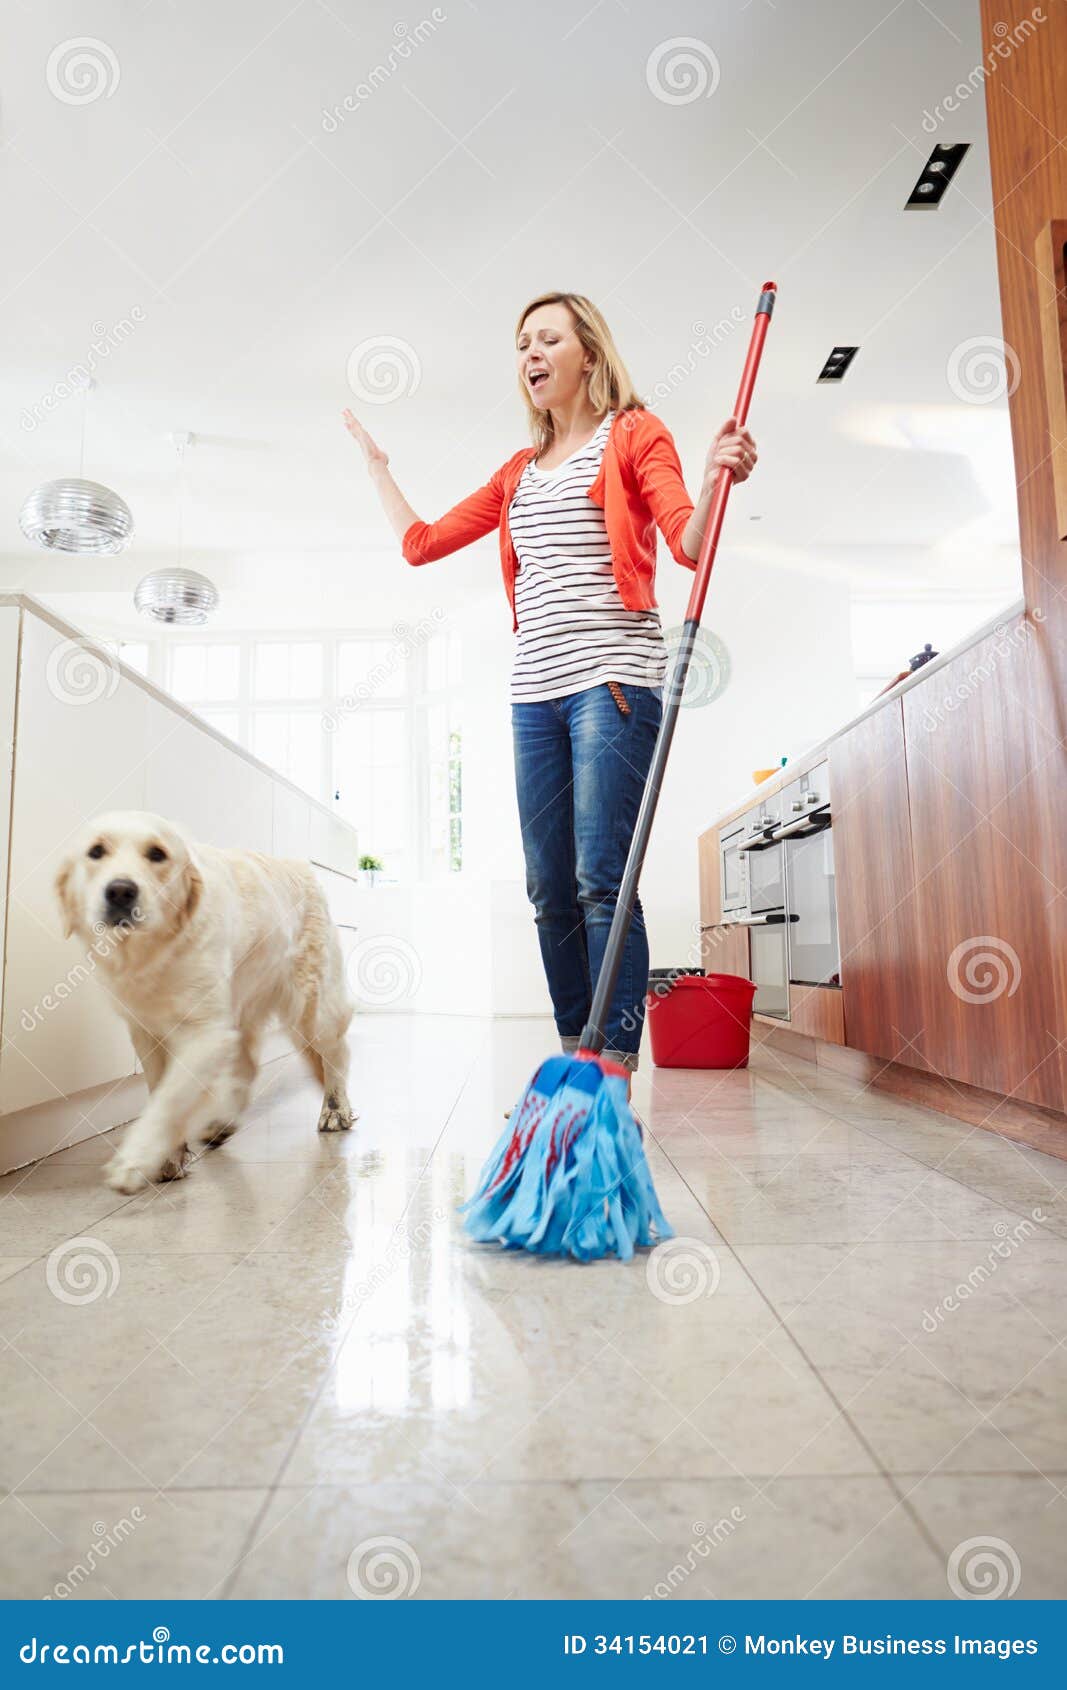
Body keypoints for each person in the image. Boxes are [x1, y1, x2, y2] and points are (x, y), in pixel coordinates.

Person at [344, 290, 757, 1086]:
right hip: (533, 694)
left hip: (612, 681)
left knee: (603, 879)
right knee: (548, 889)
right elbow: (421, 544)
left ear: (588, 358)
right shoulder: (515, 474)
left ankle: (614, 1073)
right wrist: (377, 468)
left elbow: (687, 542)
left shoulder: (634, 434)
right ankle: (578, 1061)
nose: (530, 354)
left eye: (547, 339)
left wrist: (715, 477)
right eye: (522, 344)